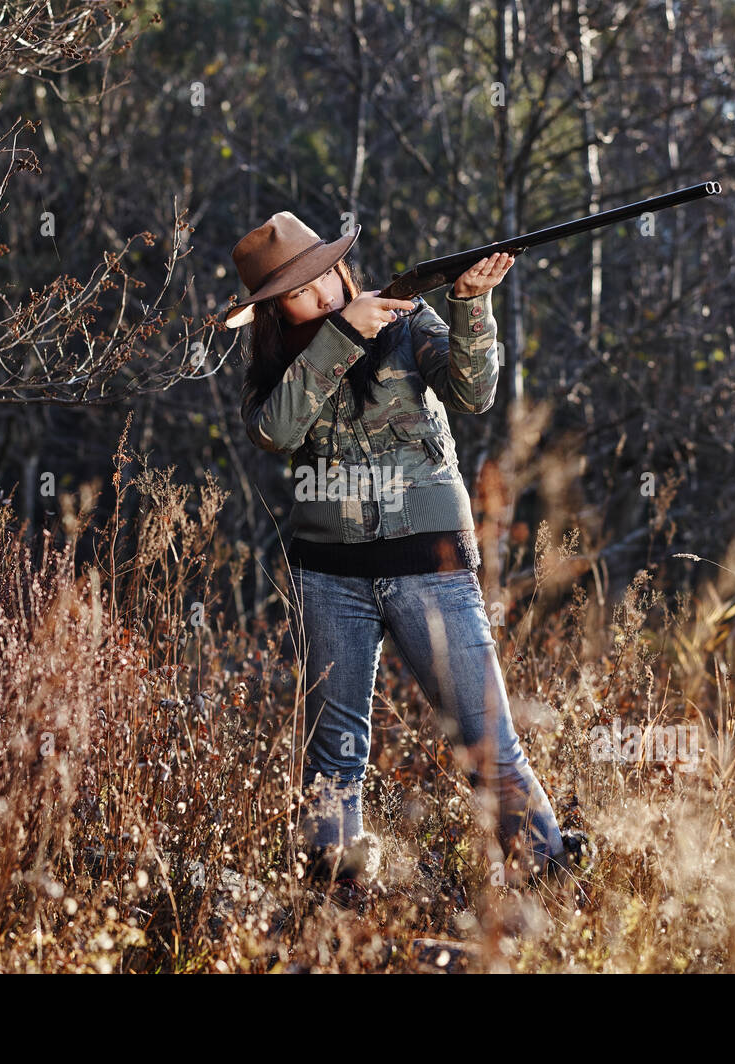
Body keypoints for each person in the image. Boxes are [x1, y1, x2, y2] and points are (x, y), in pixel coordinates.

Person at [225, 210, 591, 894]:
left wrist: (470, 304)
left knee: (486, 738)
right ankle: (334, 894)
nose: (324, 294)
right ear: (276, 312)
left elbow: (474, 393)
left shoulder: (407, 323)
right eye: (301, 292)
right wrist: (338, 340)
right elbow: (275, 433)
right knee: (332, 755)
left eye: (325, 276)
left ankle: (546, 872)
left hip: (432, 566)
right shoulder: (282, 369)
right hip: (330, 576)